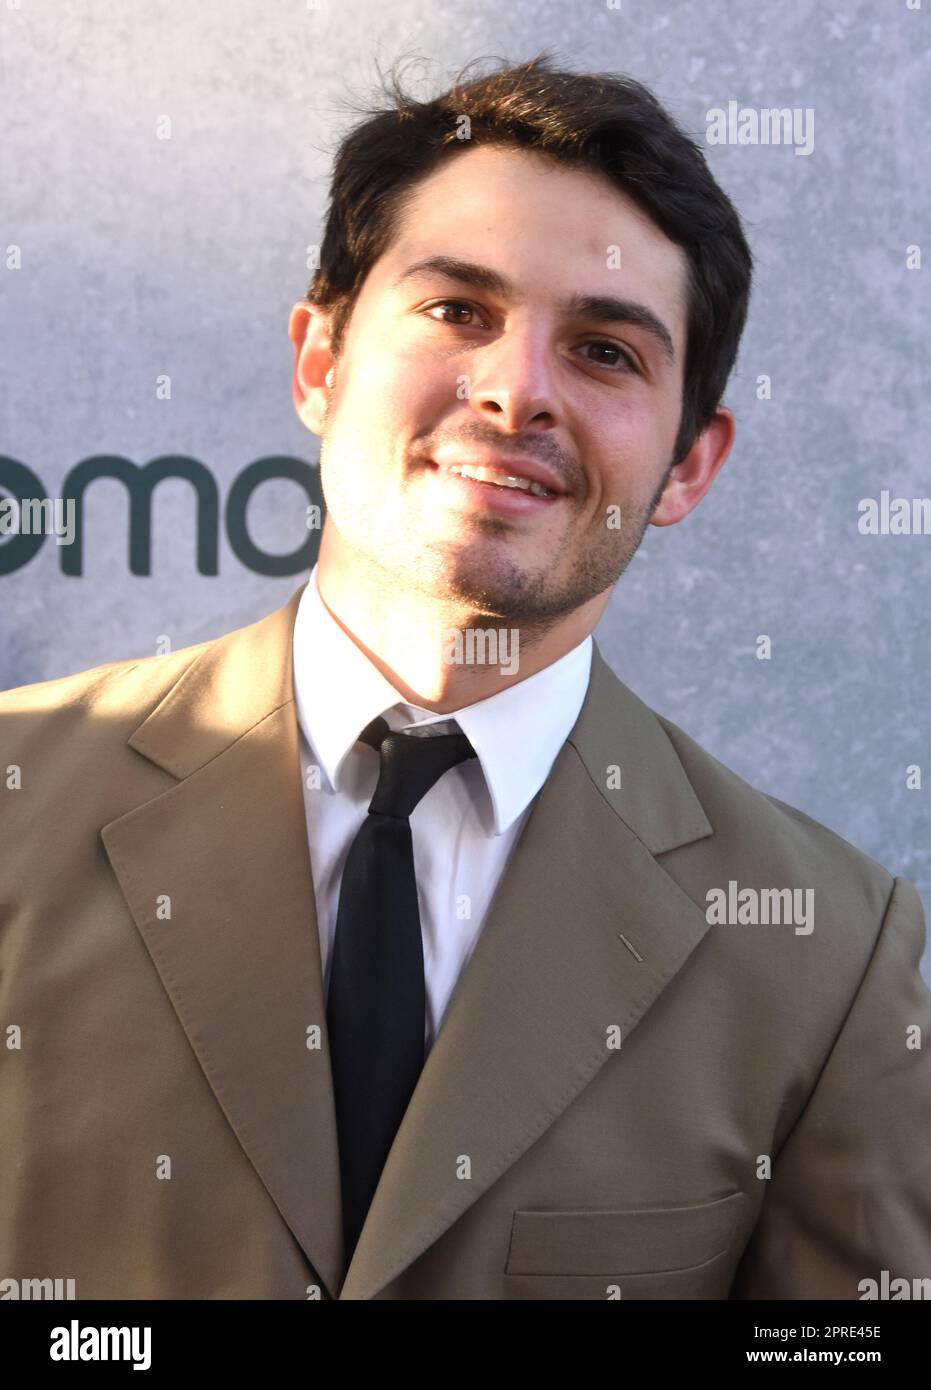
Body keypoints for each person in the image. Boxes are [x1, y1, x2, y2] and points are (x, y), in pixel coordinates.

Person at [1, 54, 929, 1302]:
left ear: (691, 464)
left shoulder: (827, 955)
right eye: (457, 311)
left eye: (604, 352)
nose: (515, 391)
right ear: (320, 361)